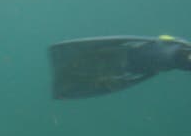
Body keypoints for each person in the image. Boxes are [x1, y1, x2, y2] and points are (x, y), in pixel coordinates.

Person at [49, 34, 191, 99]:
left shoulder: (174, 50)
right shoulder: (174, 49)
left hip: (133, 60)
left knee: (174, 56)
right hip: (132, 61)